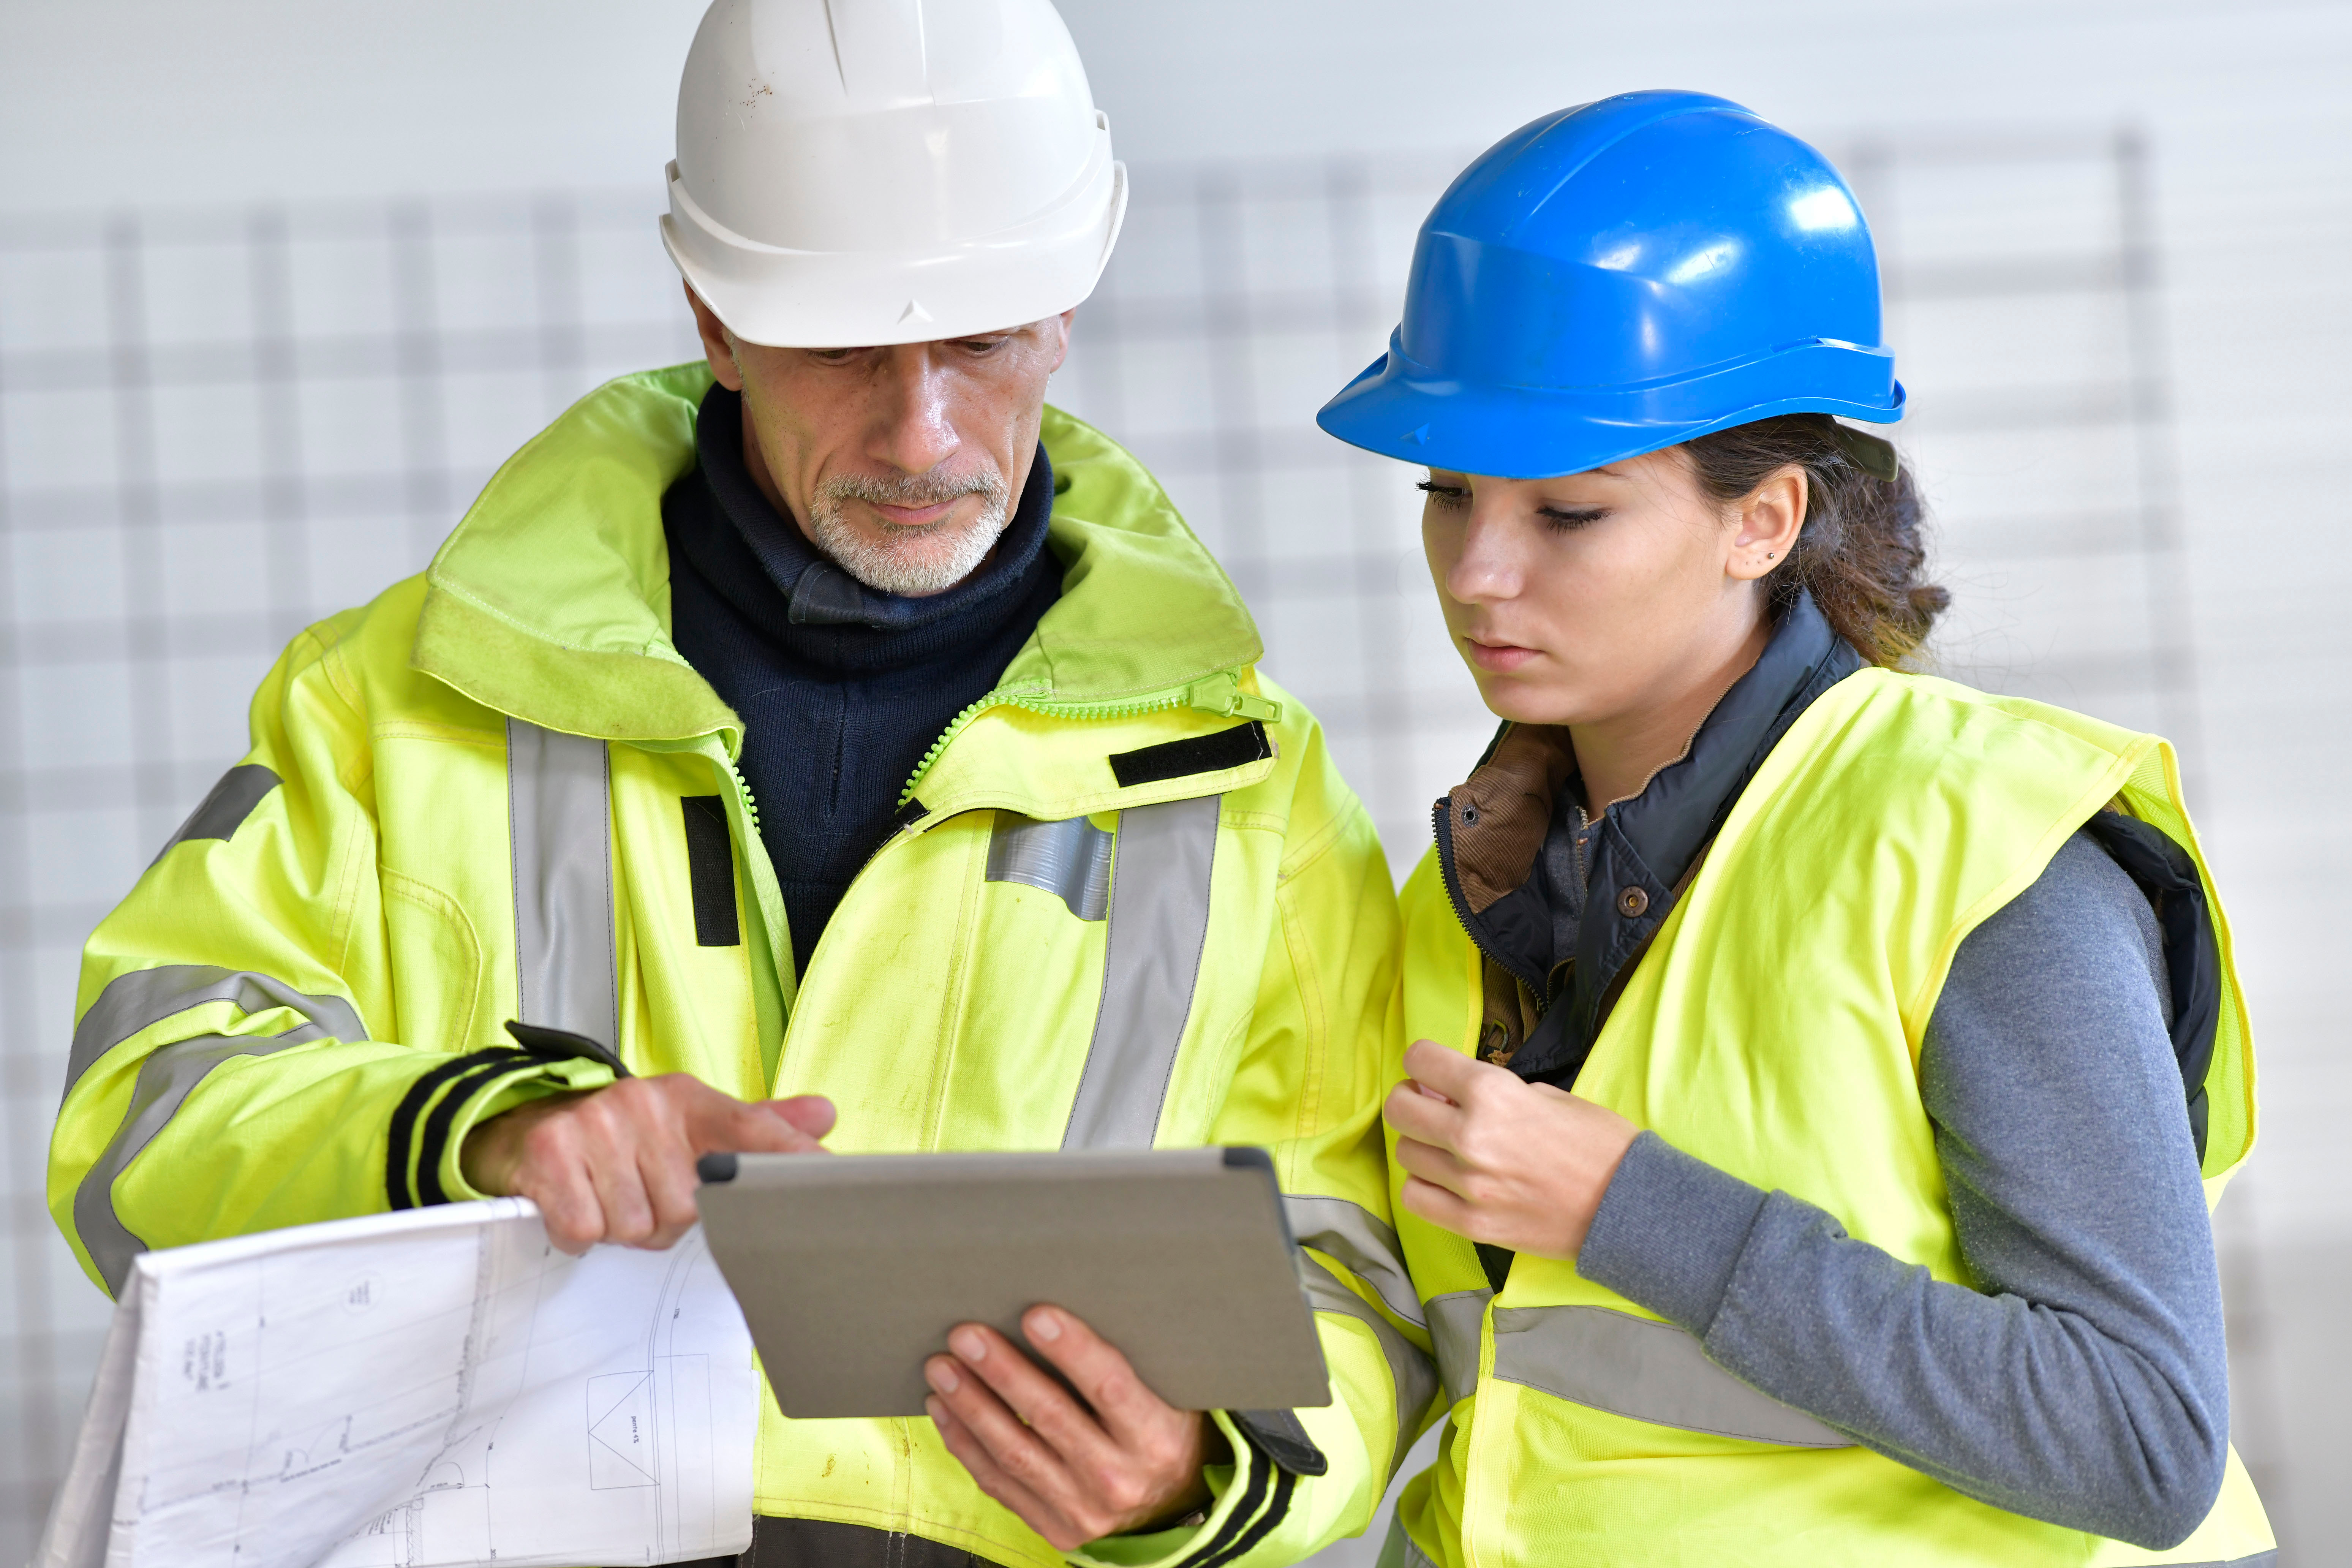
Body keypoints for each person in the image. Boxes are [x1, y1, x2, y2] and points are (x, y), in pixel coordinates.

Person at [47, 3, 1431, 1564]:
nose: (922, 430)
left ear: (1062, 312)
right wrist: (477, 1137)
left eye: (979, 339)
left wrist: (1207, 1468)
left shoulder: (1251, 787)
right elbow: (139, 1121)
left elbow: (1361, 1268)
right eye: (846, 347)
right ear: (715, 318)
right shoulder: (395, 704)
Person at [1315, 91, 2275, 1568]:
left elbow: (2140, 1441)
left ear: (1763, 521)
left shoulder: (1977, 853)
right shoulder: (1460, 897)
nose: (1480, 575)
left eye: (1567, 512)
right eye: (1449, 496)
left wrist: (1628, 1205)